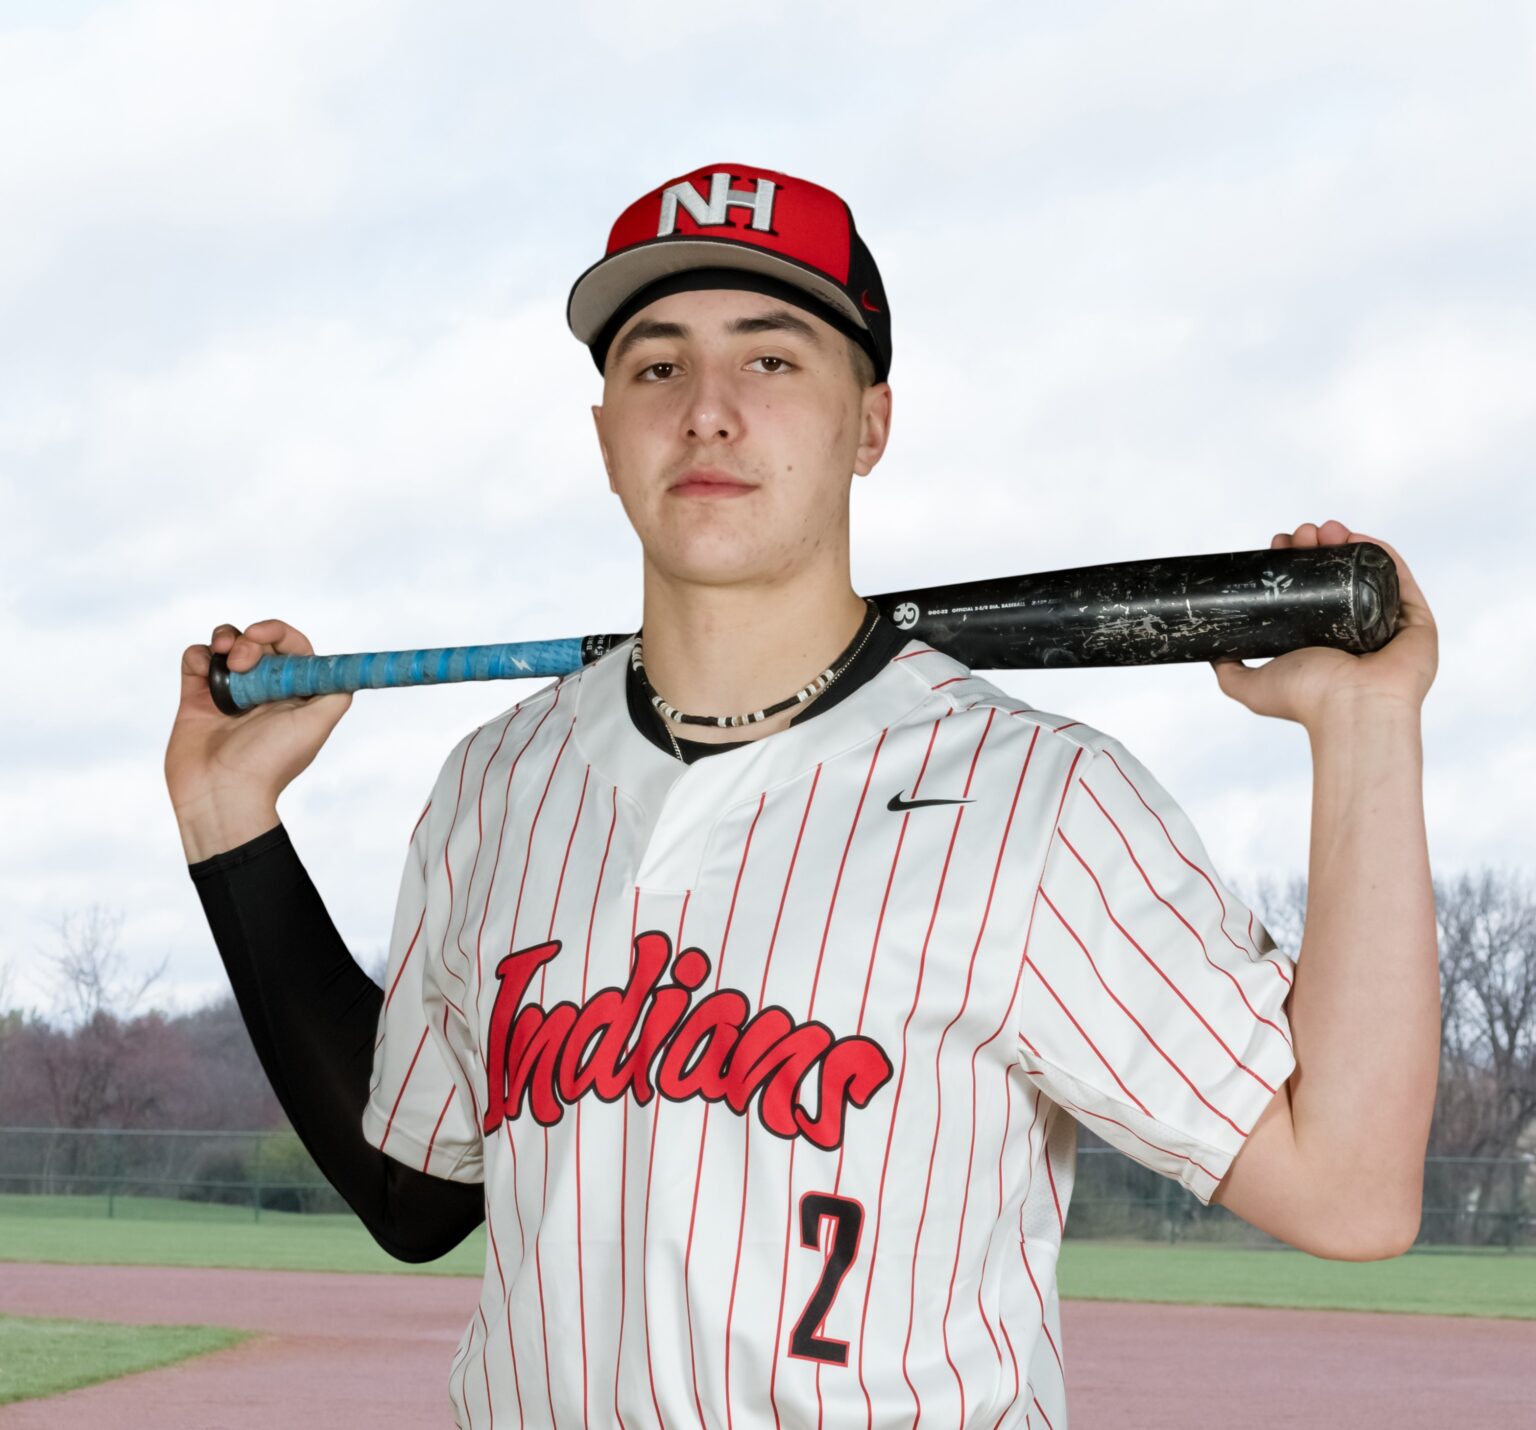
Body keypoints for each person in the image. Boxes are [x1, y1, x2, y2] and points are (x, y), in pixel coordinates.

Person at [165, 162, 1441, 1428]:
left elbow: (1350, 1189)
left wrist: (1370, 725)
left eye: (771, 359)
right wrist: (233, 827)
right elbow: (416, 1192)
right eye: (656, 365)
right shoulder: (499, 786)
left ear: (868, 423)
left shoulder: (1039, 801)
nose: (708, 410)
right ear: (605, 429)